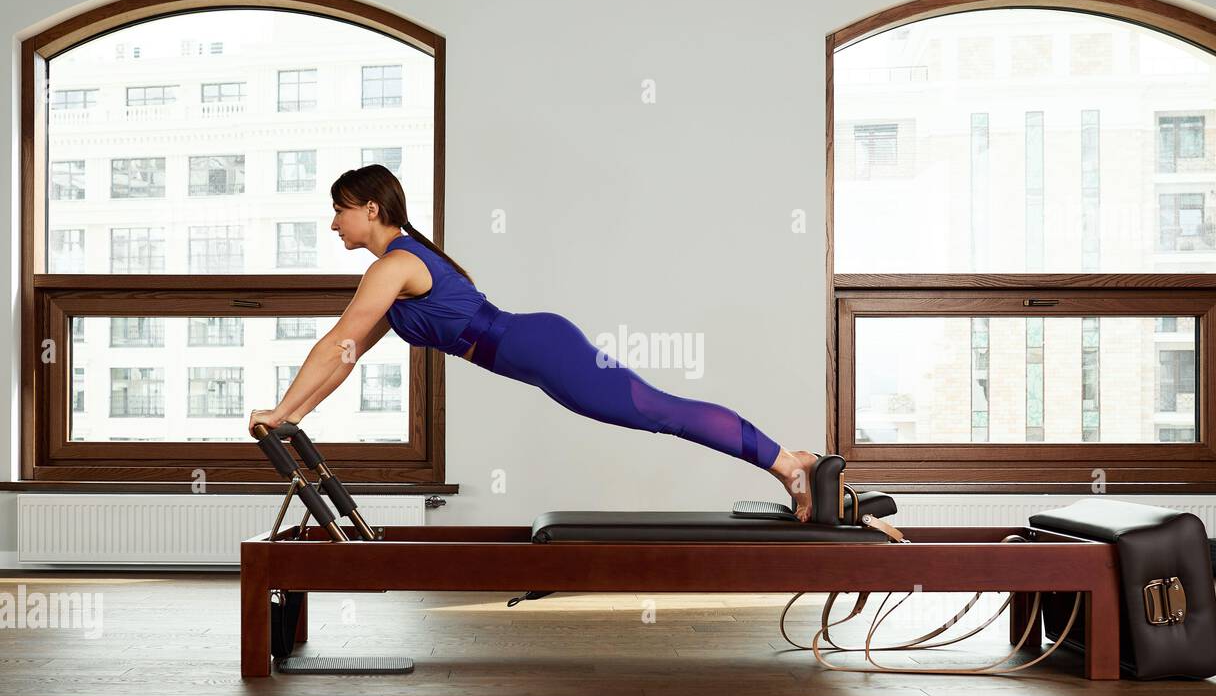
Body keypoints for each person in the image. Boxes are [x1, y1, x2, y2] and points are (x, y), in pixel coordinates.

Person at [247, 165, 819, 520]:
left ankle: (788, 465)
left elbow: (332, 342)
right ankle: (790, 462)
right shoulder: (395, 271)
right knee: (656, 410)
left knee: (656, 410)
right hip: (540, 352)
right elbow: (345, 356)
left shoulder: (394, 265)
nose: (333, 224)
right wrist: (290, 414)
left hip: (544, 350)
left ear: (370, 209)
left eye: (338, 211)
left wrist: (279, 410)